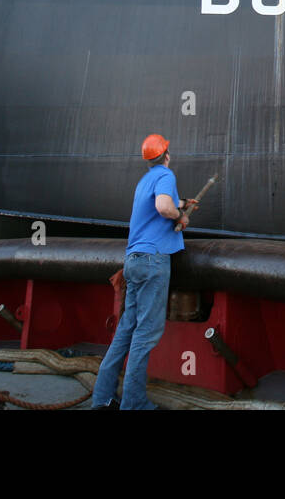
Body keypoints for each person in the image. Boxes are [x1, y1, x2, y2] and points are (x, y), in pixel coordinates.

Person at [91, 133, 199, 410]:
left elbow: (158, 207)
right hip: (153, 261)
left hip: (133, 261)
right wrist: (179, 216)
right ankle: (134, 403)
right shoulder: (166, 175)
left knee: (126, 329)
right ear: (166, 155)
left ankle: (102, 399)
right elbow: (163, 207)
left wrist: (182, 205)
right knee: (146, 333)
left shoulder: (144, 182)